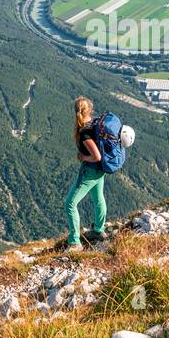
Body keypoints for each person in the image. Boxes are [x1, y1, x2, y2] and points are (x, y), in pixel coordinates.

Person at [64, 96, 107, 251]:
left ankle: (75, 242)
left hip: (90, 171)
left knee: (70, 204)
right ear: (90, 110)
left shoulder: (84, 132)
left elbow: (96, 156)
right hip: (100, 170)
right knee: (98, 198)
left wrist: (83, 157)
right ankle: (98, 230)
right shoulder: (95, 124)